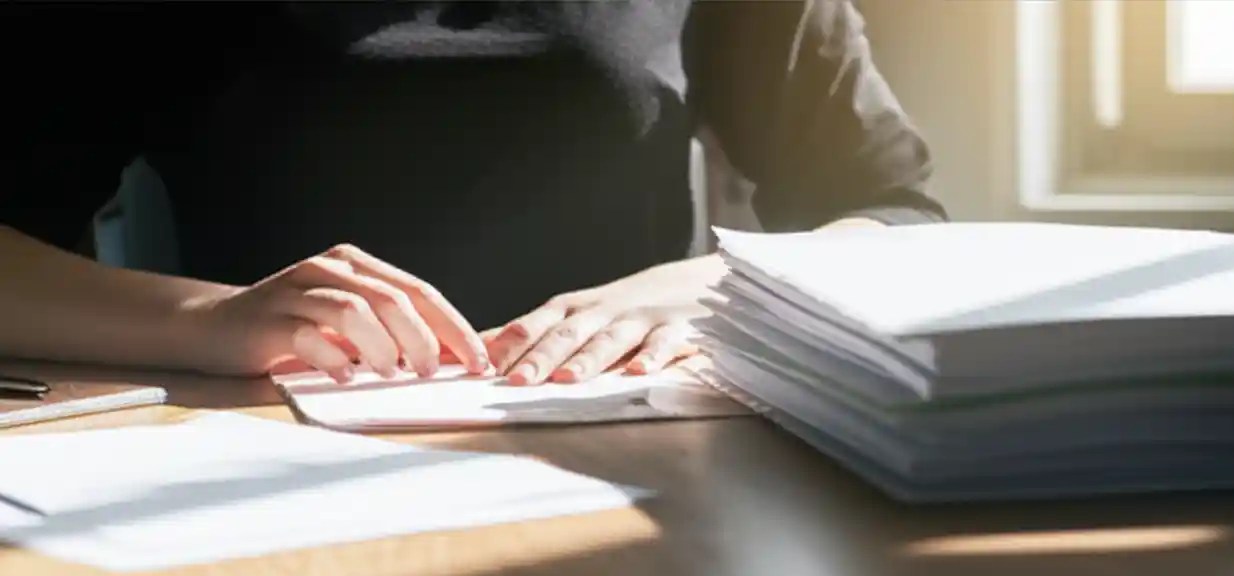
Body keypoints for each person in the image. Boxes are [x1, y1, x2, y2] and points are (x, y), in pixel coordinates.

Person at [0, 1, 945, 385]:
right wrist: (209, 319)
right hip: (279, 450)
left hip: (650, 446)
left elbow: (894, 213)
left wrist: (715, 289)